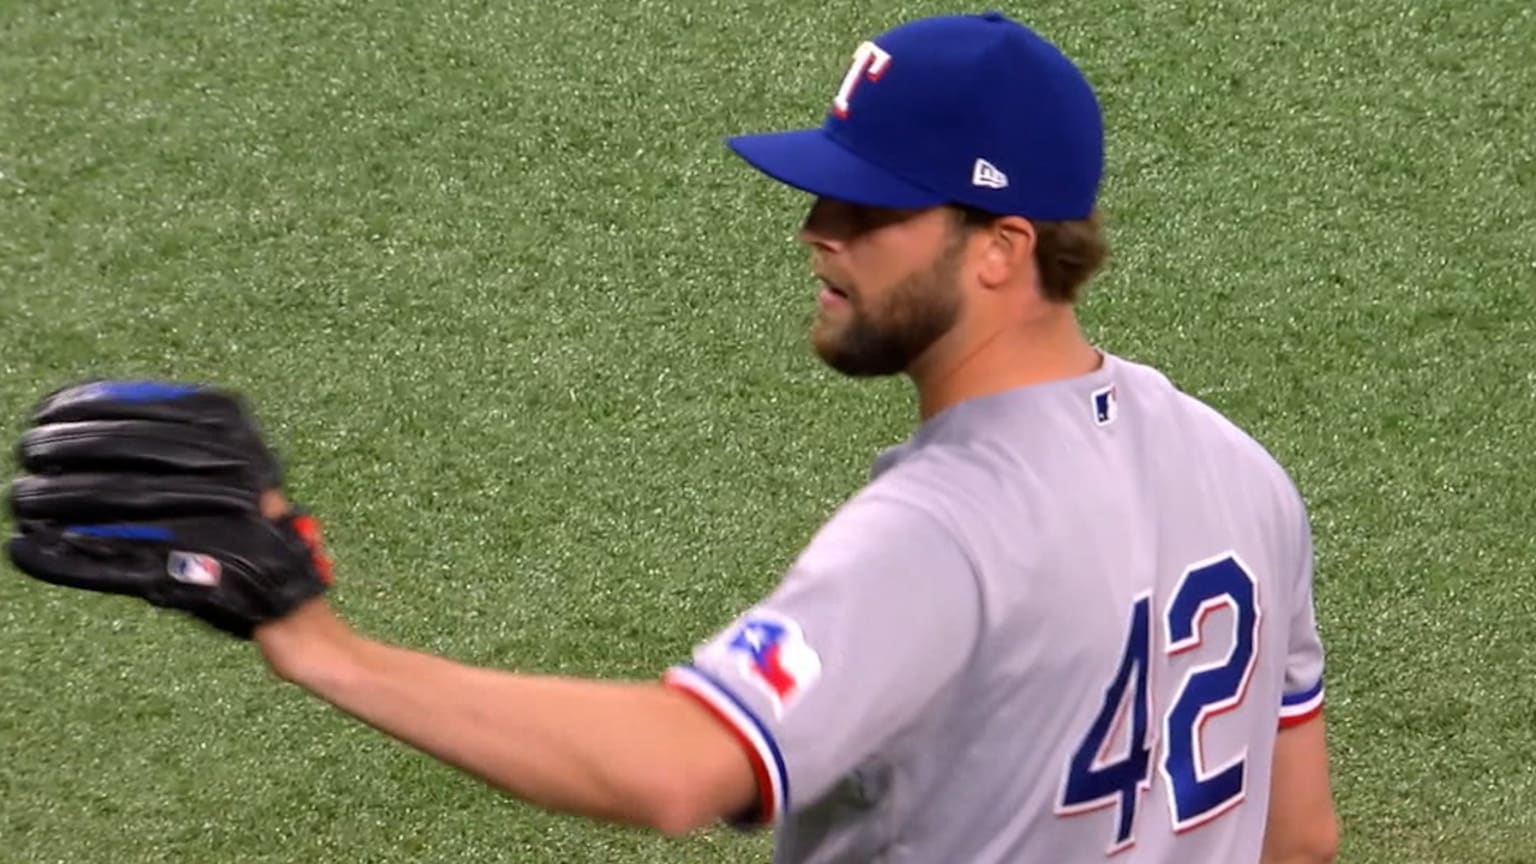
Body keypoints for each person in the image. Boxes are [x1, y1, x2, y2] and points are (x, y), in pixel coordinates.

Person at [7, 11, 1338, 864]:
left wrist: (319, 645)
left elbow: (678, 769)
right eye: (826, 190)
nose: (818, 228)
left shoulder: (946, 528)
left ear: (1002, 250)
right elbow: (1300, 840)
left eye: (869, 211)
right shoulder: (1238, 472)